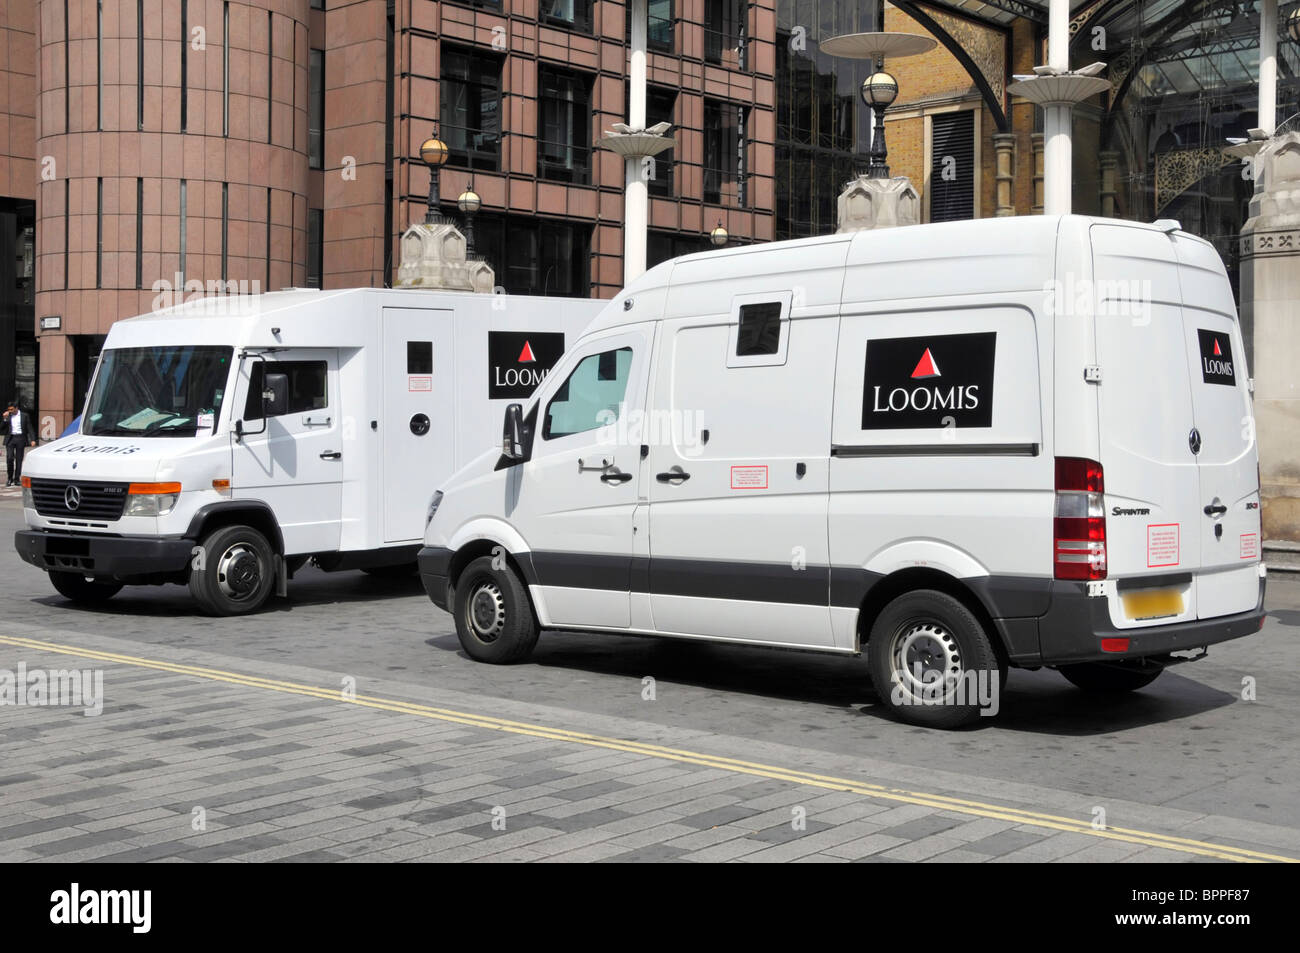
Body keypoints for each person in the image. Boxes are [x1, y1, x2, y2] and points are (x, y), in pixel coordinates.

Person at [3, 401, 36, 487]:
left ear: (16, 408)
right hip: (10, 439)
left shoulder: (25, 416)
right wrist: (5, 419)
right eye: (9, 409)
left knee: (19, 459)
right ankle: (10, 478)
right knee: (9, 458)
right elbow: (2, 428)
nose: (10, 411)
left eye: (12, 409)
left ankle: (17, 479)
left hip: (20, 438)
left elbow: (29, 427)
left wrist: (33, 439)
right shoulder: (8, 416)